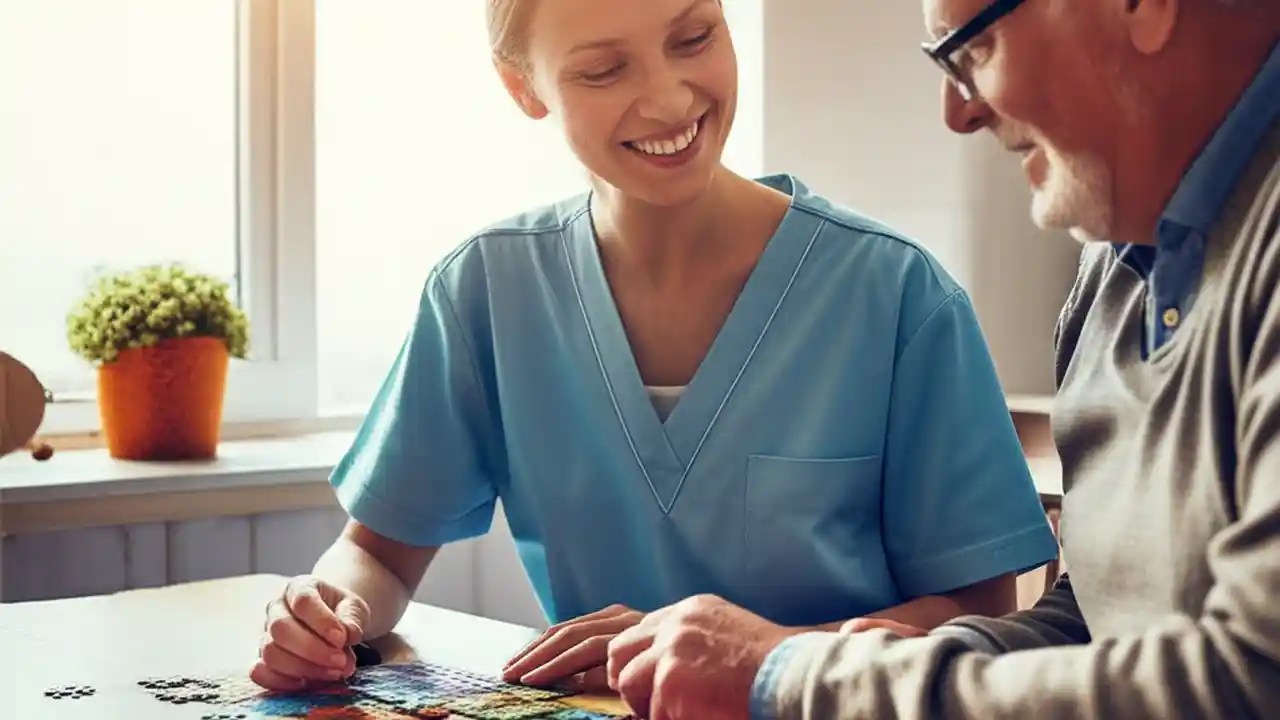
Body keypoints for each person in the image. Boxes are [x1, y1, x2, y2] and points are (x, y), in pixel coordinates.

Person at [249, 0, 1058, 694]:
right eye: (604, 71)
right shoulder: (484, 290)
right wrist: (329, 613)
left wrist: (762, 658)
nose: (669, 98)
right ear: (523, 87)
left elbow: (980, 613)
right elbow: (378, 557)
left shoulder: (898, 294)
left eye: (694, 37)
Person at [603, 0, 1280, 718]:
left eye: (973, 49)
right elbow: (1105, 619)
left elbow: (1252, 679)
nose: (958, 113)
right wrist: (889, 662)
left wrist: (795, 678)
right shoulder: (1116, 265)